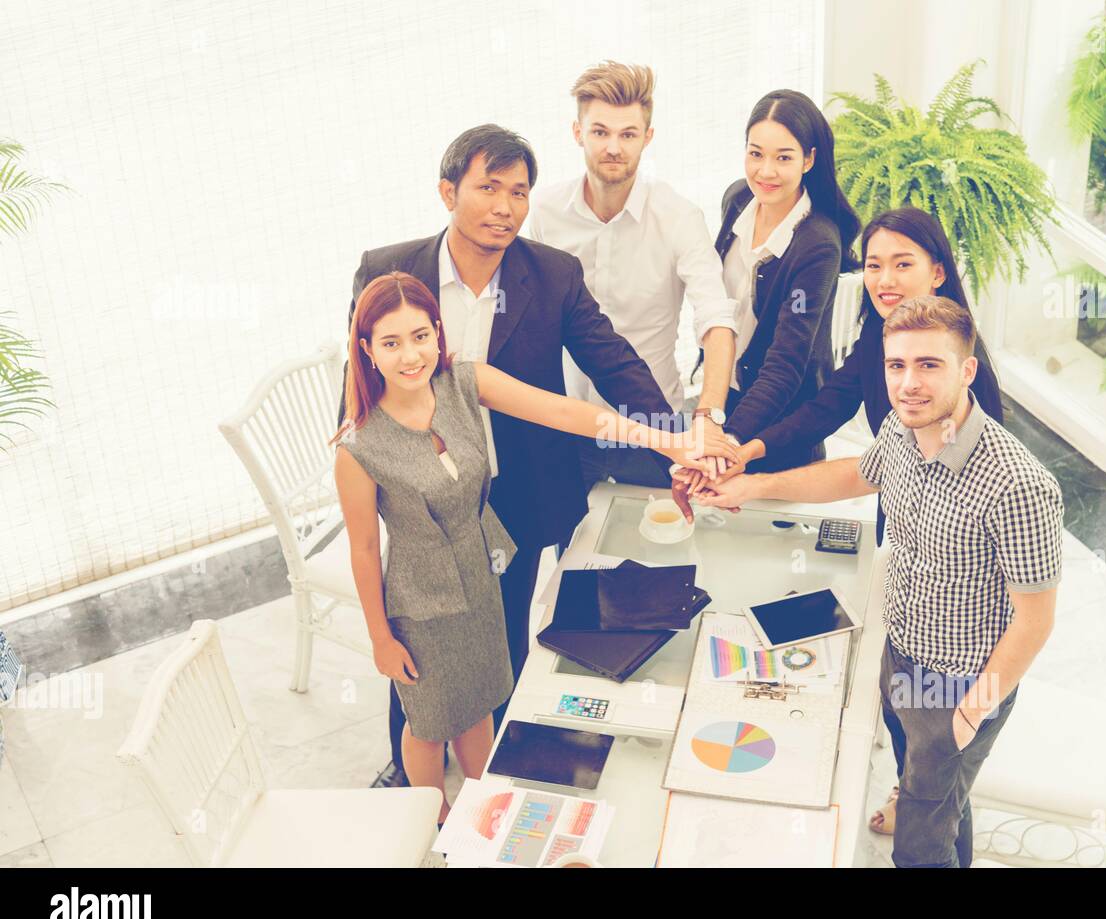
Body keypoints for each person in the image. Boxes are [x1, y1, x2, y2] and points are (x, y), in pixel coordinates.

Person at [332, 272, 734, 821]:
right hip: (420, 606)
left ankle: (484, 812)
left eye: (421, 335)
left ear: (438, 332)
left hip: (480, 578)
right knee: (427, 730)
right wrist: (380, 637)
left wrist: (671, 442)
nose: (411, 355)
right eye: (392, 342)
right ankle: (432, 825)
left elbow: (564, 412)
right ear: (366, 351)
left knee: (479, 709)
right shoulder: (358, 445)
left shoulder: (463, 381)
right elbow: (361, 550)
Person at [342, 124, 675, 784]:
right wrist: (365, 471)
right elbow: (357, 377)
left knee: (500, 633)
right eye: (487, 187)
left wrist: (675, 441)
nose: (504, 206)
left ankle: (496, 767)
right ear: (448, 191)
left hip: (514, 487)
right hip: (419, 494)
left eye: (518, 192)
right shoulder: (388, 270)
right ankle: (410, 772)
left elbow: (608, 363)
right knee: (416, 649)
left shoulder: (551, 274)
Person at [691, 296, 1063, 868]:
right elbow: (857, 473)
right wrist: (752, 486)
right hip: (902, 654)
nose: (909, 383)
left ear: (968, 371)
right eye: (897, 366)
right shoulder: (901, 426)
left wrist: (968, 715)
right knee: (929, 791)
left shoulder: (1018, 485)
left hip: (959, 686)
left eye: (929, 365)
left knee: (921, 843)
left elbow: (1036, 621)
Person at [677, 206, 1007, 834]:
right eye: (875, 264)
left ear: (937, 272)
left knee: (937, 776)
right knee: (903, 714)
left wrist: (972, 705)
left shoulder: (963, 396)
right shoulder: (885, 339)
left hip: (957, 611)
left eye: (903, 264)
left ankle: (923, 800)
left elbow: (1009, 595)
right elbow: (835, 415)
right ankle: (914, 785)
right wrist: (748, 455)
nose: (884, 279)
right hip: (909, 552)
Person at [530, 61, 738, 489]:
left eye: (628, 134)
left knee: (663, 546)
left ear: (648, 137)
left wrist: (708, 418)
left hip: (656, 424)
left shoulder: (679, 217)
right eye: (600, 132)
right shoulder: (545, 212)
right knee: (573, 550)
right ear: (577, 133)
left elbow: (716, 317)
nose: (613, 147)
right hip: (573, 422)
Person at [707, 89, 860, 472]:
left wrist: (730, 440)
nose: (765, 171)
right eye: (755, 153)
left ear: (809, 159)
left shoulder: (817, 245)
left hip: (779, 423)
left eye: (784, 158)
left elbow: (786, 362)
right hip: (726, 396)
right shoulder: (738, 198)